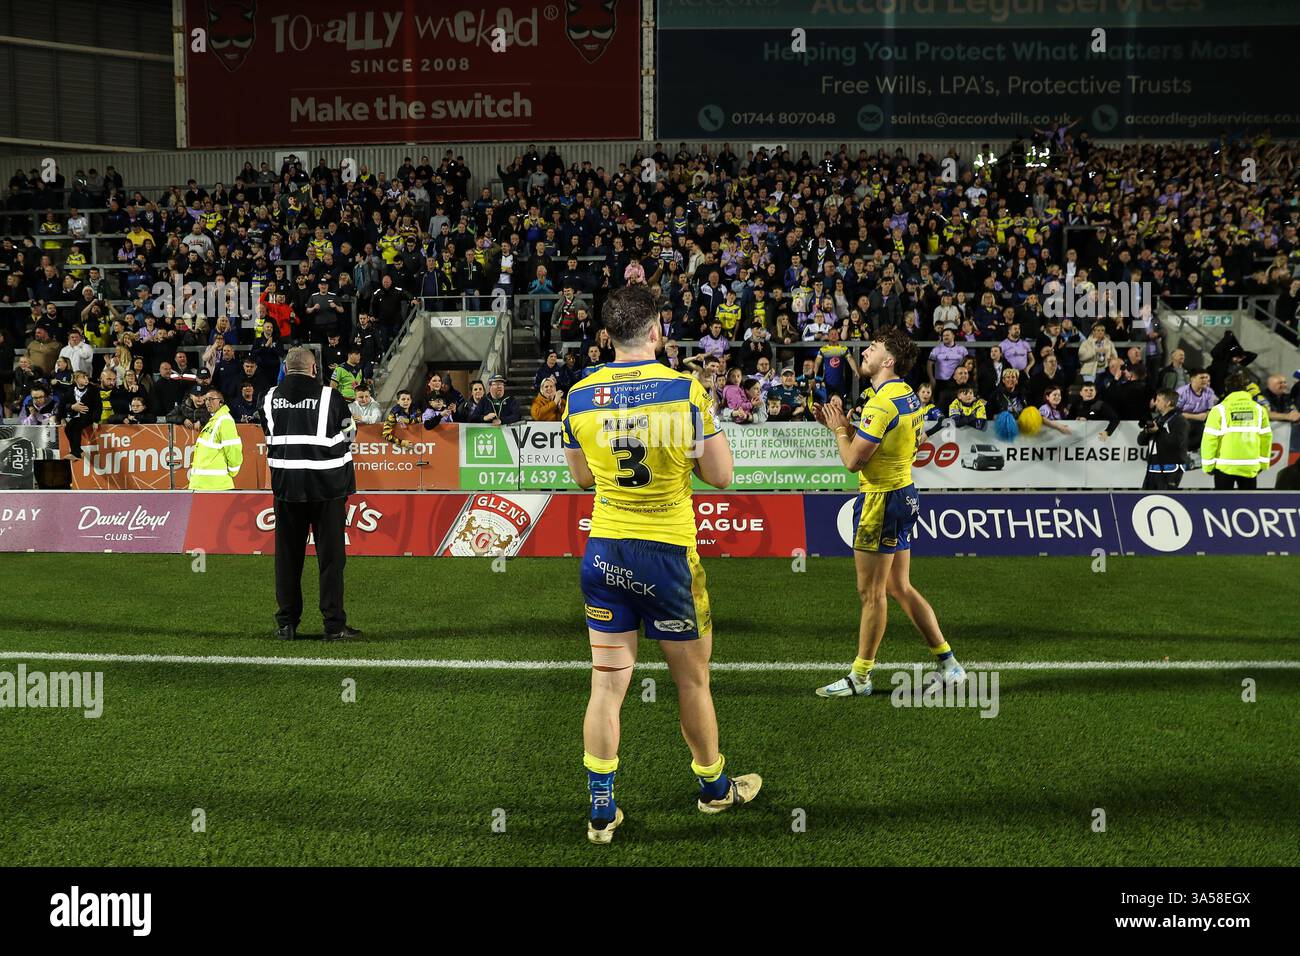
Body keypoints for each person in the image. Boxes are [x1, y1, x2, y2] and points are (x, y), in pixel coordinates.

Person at [561, 284, 761, 845]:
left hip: (605, 551)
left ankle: (602, 809)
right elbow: (720, 476)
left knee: (606, 685)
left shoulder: (579, 394)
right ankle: (714, 789)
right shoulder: (684, 390)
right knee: (692, 682)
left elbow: (582, 479)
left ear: (607, 335)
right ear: (655, 331)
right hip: (668, 556)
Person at [812, 326, 966, 698]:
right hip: (904, 494)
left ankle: (860, 676)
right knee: (899, 586)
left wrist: (838, 431)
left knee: (872, 594)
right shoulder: (906, 395)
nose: (865, 352)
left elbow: (852, 461)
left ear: (889, 361)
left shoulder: (881, 403)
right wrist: (845, 425)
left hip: (880, 501)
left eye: (874, 348)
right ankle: (949, 664)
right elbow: (889, 441)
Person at [262, 346, 360, 642]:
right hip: (326, 487)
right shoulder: (331, 396)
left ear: (286, 368)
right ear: (314, 368)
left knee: (287, 557)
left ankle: (286, 624)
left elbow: (268, 433)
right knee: (330, 559)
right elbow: (350, 433)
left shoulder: (269, 397)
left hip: (286, 488)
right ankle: (333, 625)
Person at [1201, 371, 1273, 490]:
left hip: (1224, 466)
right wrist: (1263, 463)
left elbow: (1210, 439)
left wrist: (1208, 466)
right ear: (1245, 389)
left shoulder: (1219, 410)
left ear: (1226, 388)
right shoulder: (1259, 409)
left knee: (1222, 505)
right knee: (1248, 505)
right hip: (1250, 466)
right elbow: (1266, 437)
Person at [188, 387, 243, 490]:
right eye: (206, 400)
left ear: (221, 402)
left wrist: (233, 471)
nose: (207, 402)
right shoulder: (214, 420)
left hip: (216, 486)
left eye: (211, 399)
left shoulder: (225, 420)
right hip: (202, 485)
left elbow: (233, 449)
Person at [1141, 388, 1188, 489]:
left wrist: (1158, 431)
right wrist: (1148, 431)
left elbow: (1176, 442)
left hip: (1169, 469)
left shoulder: (1179, 420)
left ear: (1168, 403)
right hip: (1153, 468)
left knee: (1164, 500)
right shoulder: (1157, 419)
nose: (1155, 403)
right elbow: (1140, 440)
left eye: (1158, 400)